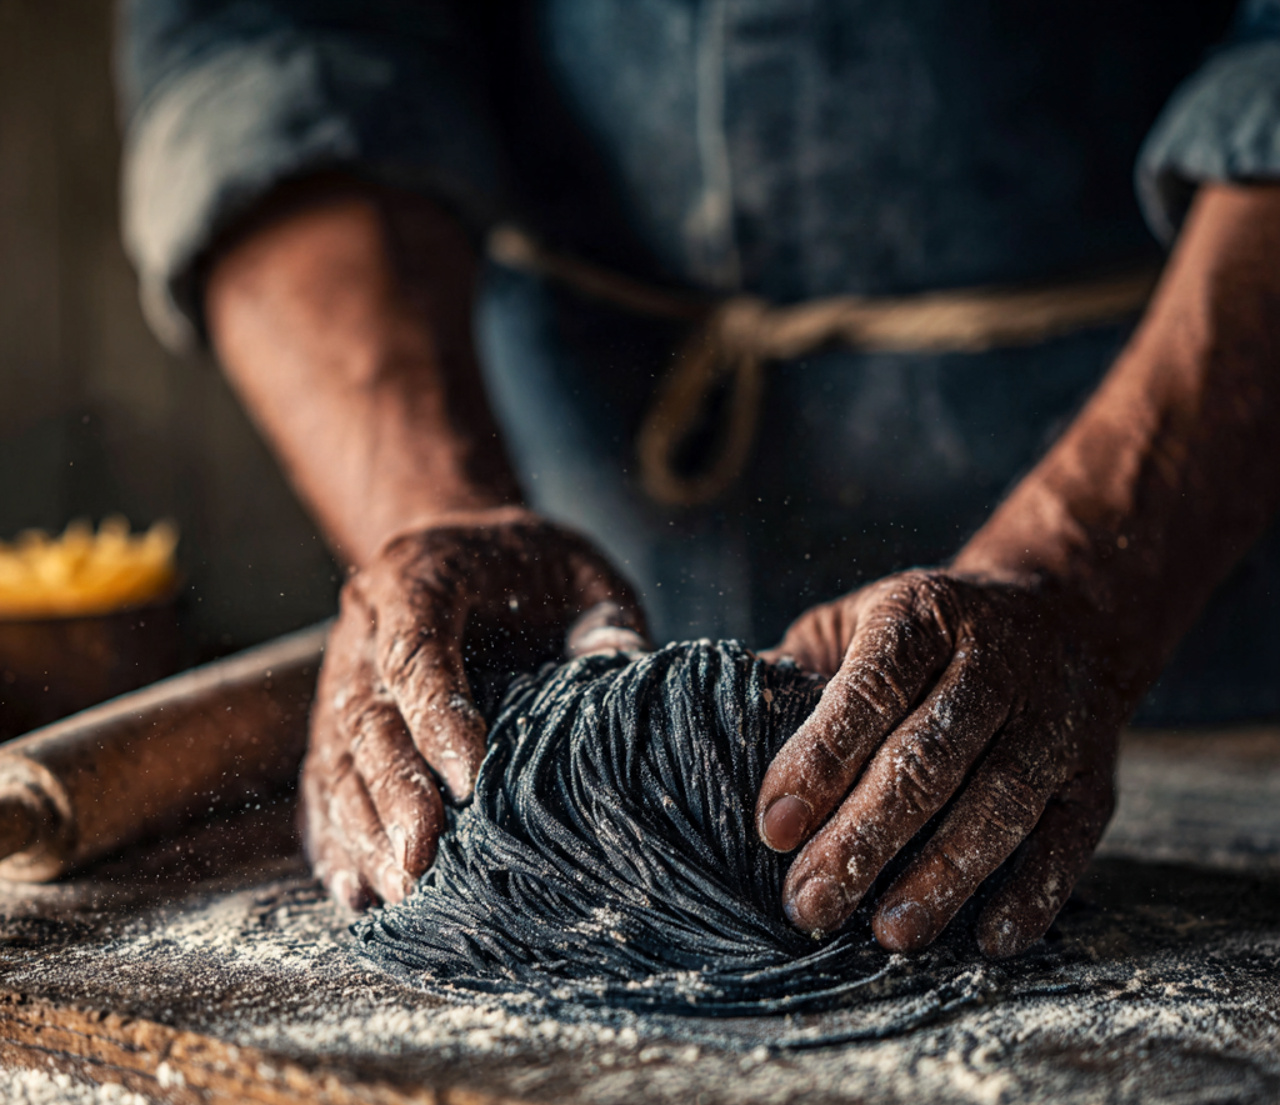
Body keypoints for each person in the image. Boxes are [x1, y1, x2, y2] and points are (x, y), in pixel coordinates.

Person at [116, 0, 1280, 957]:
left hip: (1185, 516)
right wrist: (427, 509)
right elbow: (267, 46)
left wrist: (1082, 575)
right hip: (562, 469)